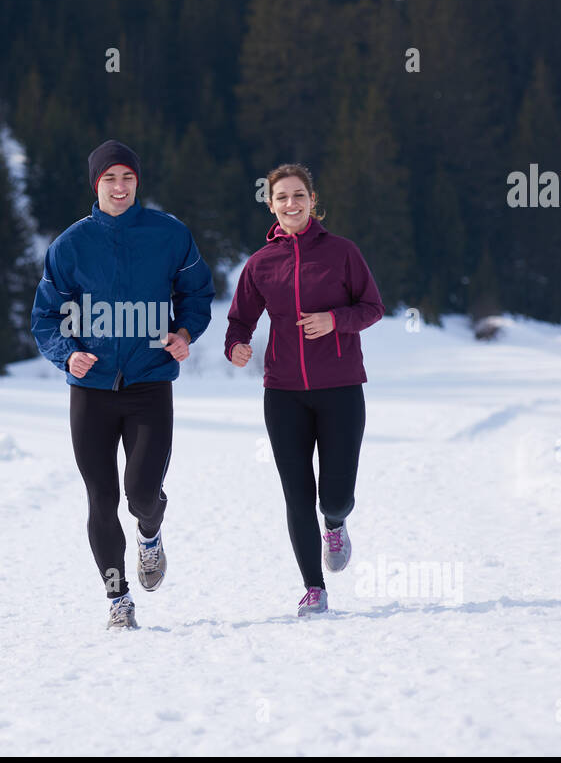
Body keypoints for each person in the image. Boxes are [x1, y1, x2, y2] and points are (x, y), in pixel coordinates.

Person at [32, 140, 214, 630]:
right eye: (109, 178)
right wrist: (68, 354)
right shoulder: (70, 245)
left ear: (138, 182)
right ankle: (117, 597)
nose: (119, 187)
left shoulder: (169, 234)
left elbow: (197, 292)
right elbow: (45, 316)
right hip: (90, 389)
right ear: (96, 185)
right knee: (100, 497)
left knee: (141, 493)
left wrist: (184, 331)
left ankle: (150, 534)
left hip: (149, 383)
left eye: (127, 178)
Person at [224, 164, 384, 616]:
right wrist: (235, 344)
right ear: (271, 204)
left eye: (299, 195)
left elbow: (372, 307)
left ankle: (335, 522)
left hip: (341, 387)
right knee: (296, 491)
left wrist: (334, 319)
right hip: (283, 392)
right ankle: (314, 588)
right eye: (281, 197)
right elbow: (240, 319)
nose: (290, 204)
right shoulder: (260, 263)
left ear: (313, 200)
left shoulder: (342, 253)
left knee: (334, 494)